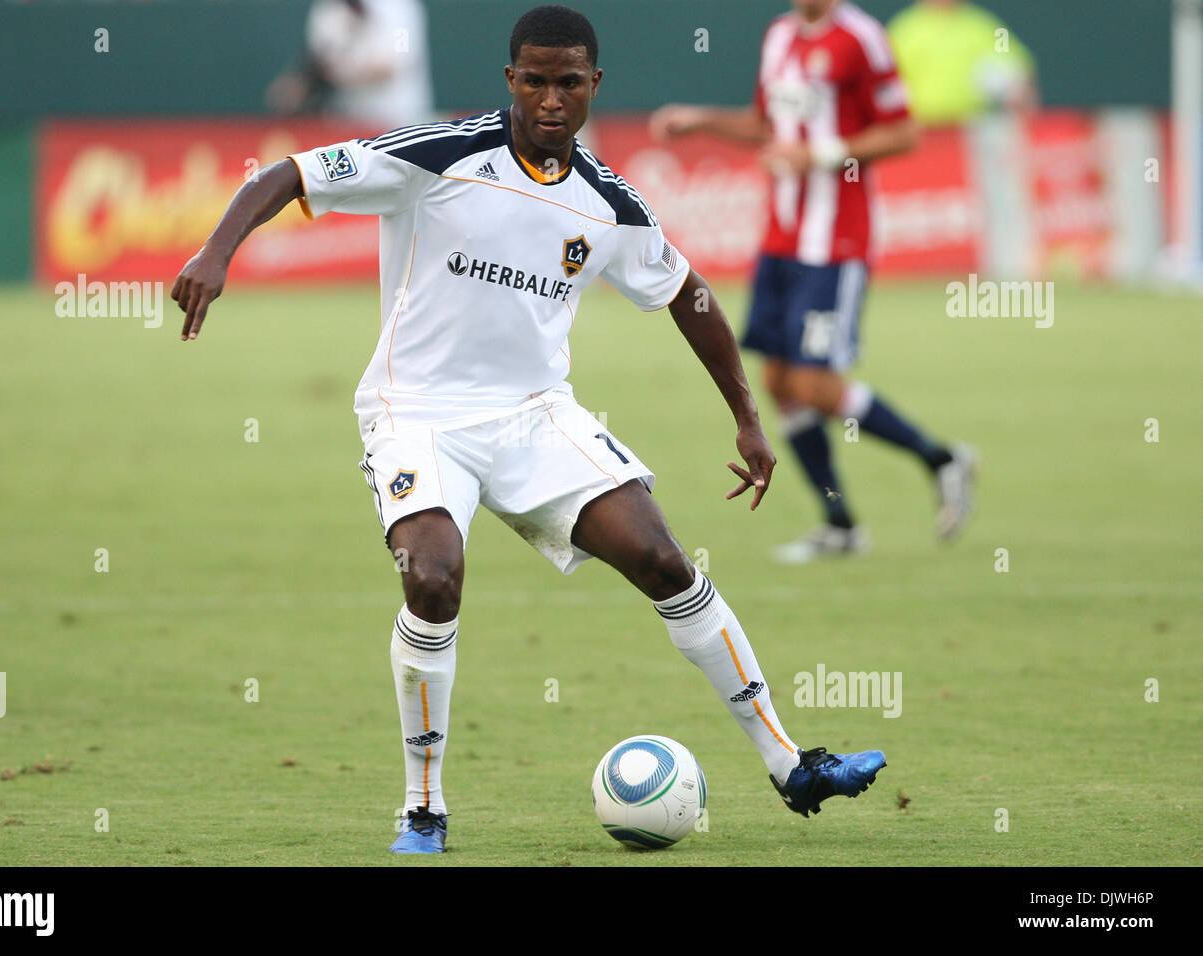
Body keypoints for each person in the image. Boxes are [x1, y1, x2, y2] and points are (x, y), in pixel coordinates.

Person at [173, 4, 885, 854]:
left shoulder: (608, 203)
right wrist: (216, 252)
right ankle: (423, 808)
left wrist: (746, 417)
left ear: (594, 87)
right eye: (536, 81)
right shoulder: (437, 154)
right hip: (417, 415)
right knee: (433, 577)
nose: (552, 100)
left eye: (569, 83)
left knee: (664, 560)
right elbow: (284, 175)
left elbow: (691, 298)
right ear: (511, 81)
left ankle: (790, 765)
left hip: (535, 417)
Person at [651, 0, 976, 563]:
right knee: (777, 379)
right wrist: (700, 119)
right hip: (780, 239)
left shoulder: (862, 38)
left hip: (837, 241)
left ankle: (942, 460)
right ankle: (839, 522)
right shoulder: (779, 35)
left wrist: (820, 154)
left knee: (813, 383)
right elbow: (764, 126)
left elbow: (902, 133)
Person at [266, 0, 434, 128]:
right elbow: (320, 59)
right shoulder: (329, 8)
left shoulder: (399, 7)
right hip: (346, 121)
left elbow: (393, 67)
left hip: (396, 120)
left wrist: (343, 72)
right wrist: (300, 83)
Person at [887, 0, 1037, 127]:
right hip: (924, 132)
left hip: (973, 131)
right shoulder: (903, 30)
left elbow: (1015, 68)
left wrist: (1018, 89)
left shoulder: (985, 27)